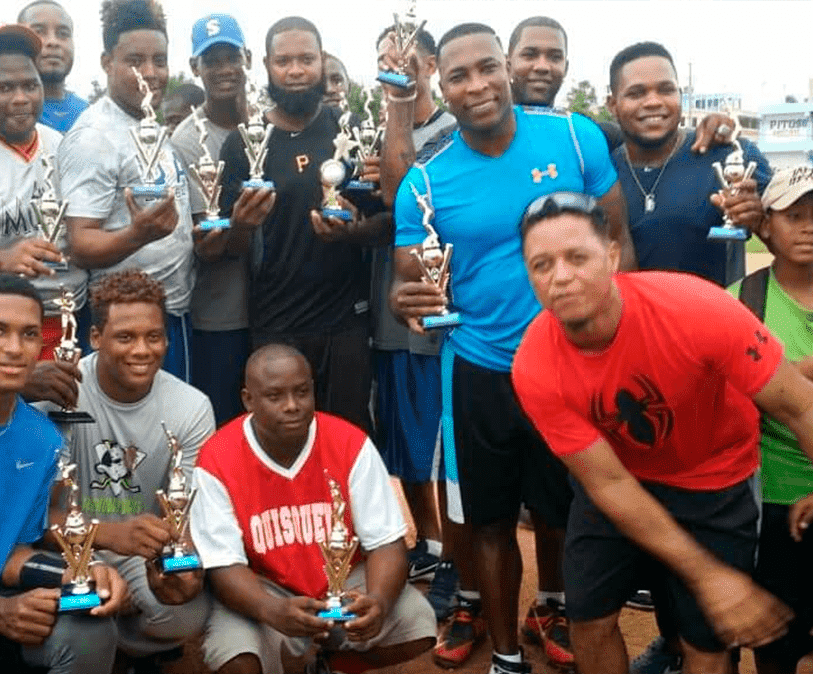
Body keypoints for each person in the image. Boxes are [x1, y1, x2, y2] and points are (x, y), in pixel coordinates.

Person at [391, 22, 631, 674]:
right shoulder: (425, 181)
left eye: (486, 68)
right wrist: (408, 300)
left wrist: (619, 341)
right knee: (489, 523)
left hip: (569, 363)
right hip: (478, 369)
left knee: (561, 513)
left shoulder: (574, 137)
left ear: (506, 68)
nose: (476, 86)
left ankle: (551, 608)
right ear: (441, 86)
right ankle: (503, 656)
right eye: (458, 76)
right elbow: (408, 283)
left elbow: (619, 245)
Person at [509, 190, 813, 674]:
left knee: (707, 642)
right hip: (620, 479)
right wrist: (708, 575)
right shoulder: (535, 366)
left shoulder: (697, 309)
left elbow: (801, 405)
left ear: (612, 256)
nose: (560, 277)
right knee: (588, 620)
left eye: (577, 257)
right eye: (541, 265)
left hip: (715, 478)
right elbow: (611, 485)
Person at [189, 343, 436, 674]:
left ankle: (329, 665)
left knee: (417, 624)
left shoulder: (349, 442)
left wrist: (378, 601)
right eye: (275, 396)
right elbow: (224, 567)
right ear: (248, 400)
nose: (292, 405)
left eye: (302, 392)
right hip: (264, 588)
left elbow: (386, 543)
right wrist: (271, 610)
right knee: (237, 662)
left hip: (344, 583)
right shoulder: (218, 457)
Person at [218, 16, 387, 433]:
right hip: (276, 323)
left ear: (322, 60)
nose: (295, 71)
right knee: (281, 439)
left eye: (306, 60)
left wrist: (353, 231)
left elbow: (389, 223)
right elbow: (228, 248)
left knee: (348, 439)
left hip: (345, 322)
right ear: (266, 65)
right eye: (284, 61)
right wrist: (241, 226)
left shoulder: (352, 131)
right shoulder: (242, 142)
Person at [42, 269, 214, 670]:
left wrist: (181, 567)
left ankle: (118, 641)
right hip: (66, 550)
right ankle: (111, 642)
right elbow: (30, 520)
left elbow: (186, 517)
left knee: (185, 612)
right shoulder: (61, 395)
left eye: (154, 337)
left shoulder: (191, 407)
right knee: (84, 612)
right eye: (125, 337)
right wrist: (109, 535)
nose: (142, 350)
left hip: (141, 552)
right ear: (95, 337)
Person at [58, 0, 195, 383]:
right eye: (135, 61)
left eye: (159, 61)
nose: (150, 73)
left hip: (170, 312)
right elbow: (81, 244)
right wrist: (138, 234)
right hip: (126, 327)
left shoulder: (146, 123)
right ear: (107, 62)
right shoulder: (95, 136)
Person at [0, 273, 126, 674]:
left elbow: (12, 550)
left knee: (89, 630)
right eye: (0, 331)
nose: (14, 349)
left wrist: (80, 570)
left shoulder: (42, 439)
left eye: (29, 334)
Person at [728, 166, 813, 674]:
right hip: (772, 501)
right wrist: (794, 377)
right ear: (764, 226)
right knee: (777, 641)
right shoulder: (740, 302)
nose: (809, 228)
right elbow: (719, 401)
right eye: (794, 215)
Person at [171, 13, 273, 427]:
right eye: (211, 60)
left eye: (231, 57)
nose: (224, 69)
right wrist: (240, 226)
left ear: (247, 57)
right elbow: (204, 243)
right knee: (225, 424)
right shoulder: (186, 140)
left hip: (280, 305)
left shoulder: (272, 124)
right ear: (195, 67)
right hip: (221, 312)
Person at [607, 42, 769, 289]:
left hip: (717, 313)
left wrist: (760, 220)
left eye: (666, 90)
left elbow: (795, 232)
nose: (653, 102)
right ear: (612, 105)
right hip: (634, 313)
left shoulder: (732, 154)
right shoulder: (600, 173)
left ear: (680, 95)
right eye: (636, 93)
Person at [17, 0, 88, 133]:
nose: (53, 42)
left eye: (63, 33)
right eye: (39, 31)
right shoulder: (6, 115)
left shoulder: (90, 115)